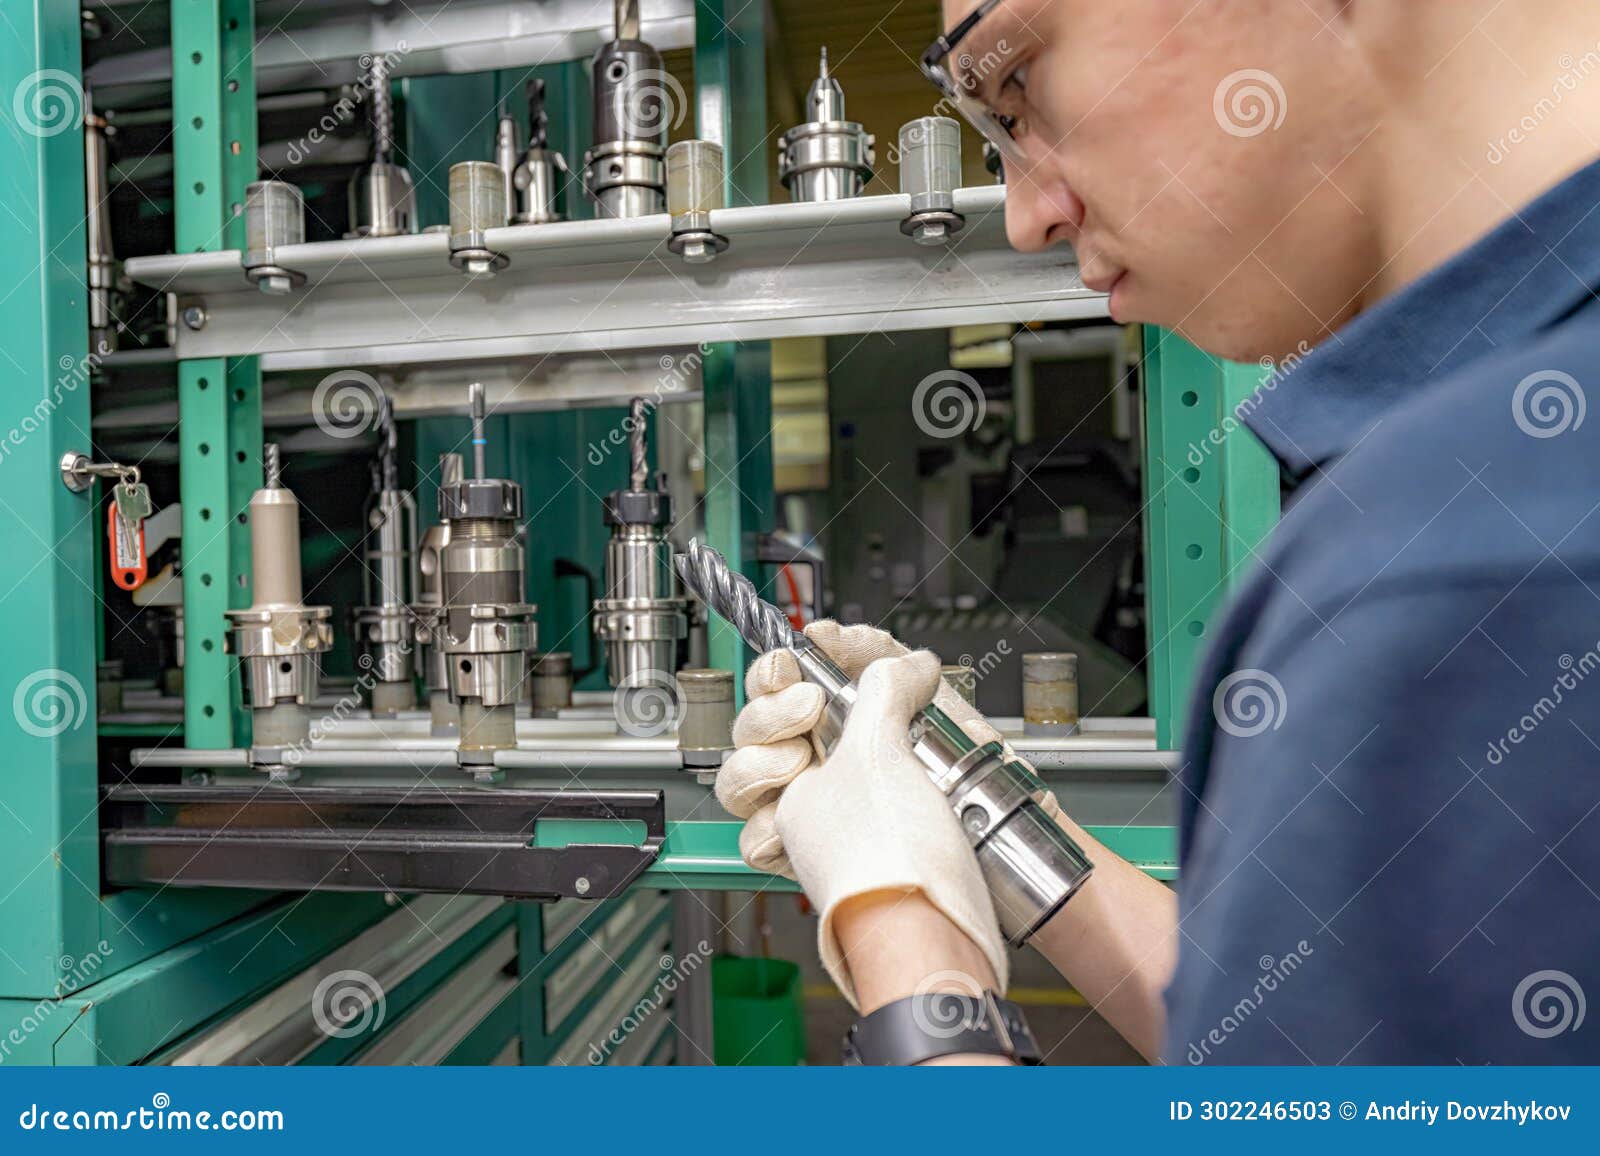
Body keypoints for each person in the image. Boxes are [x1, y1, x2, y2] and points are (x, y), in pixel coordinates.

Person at [718, 0, 1600, 1064]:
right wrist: (982, 804)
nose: (1024, 216)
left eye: (1017, 85)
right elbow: (1314, 1060)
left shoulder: (1469, 564)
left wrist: (901, 924)